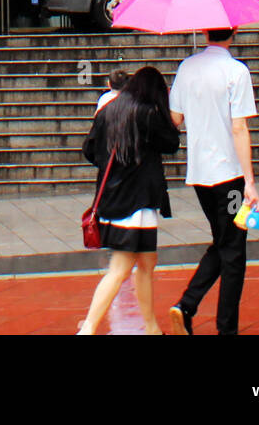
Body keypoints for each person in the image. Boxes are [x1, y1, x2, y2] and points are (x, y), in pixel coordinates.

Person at [168, 27, 259, 337]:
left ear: (206, 31)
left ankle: (187, 306)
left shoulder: (186, 67)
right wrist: (250, 181)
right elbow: (239, 129)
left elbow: (175, 119)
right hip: (229, 175)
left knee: (224, 242)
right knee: (234, 250)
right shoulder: (236, 71)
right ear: (232, 33)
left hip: (199, 172)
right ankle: (222, 326)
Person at [77, 66, 180, 336]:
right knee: (122, 267)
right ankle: (87, 328)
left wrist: (115, 167)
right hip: (139, 202)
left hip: (114, 199)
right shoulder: (147, 114)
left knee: (146, 262)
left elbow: (89, 148)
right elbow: (171, 143)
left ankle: (152, 328)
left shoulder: (108, 110)